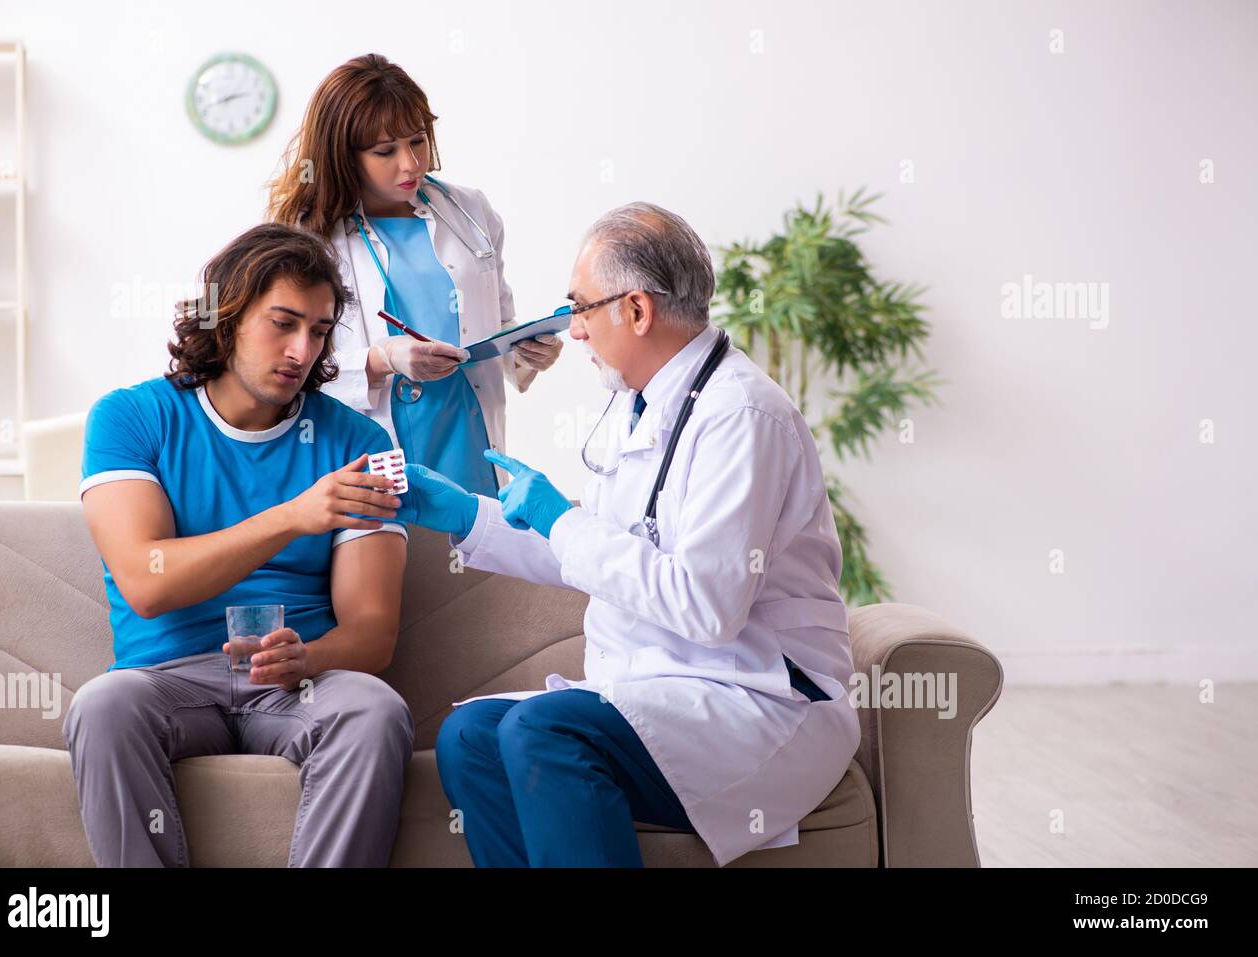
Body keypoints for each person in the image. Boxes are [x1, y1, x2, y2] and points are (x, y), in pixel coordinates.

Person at [396, 202, 862, 868]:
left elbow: (705, 606)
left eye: (581, 307)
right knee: (469, 734)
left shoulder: (741, 416)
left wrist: (561, 516)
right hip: (665, 689)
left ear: (636, 310)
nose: (575, 330)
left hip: (758, 700)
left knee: (544, 729)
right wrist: (466, 515)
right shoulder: (636, 404)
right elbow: (604, 552)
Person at [63, 223, 415, 867]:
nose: (302, 349)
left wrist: (307, 658)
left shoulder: (361, 444)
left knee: (373, 709)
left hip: (298, 682)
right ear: (225, 317)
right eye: (283, 323)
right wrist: (292, 517)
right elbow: (148, 581)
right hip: (166, 680)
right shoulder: (130, 417)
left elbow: (373, 633)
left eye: (319, 329)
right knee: (103, 706)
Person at [268, 53, 563, 497]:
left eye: (418, 141)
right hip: (370, 437)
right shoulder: (308, 236)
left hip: (467, 428)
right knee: (391, 548)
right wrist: (382, 359)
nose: (410, 164)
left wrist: (526, 350)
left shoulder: (471, 211)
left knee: (472, 545)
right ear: (343, 155)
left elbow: (499, 322)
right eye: (385, 151)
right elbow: (287, 362)